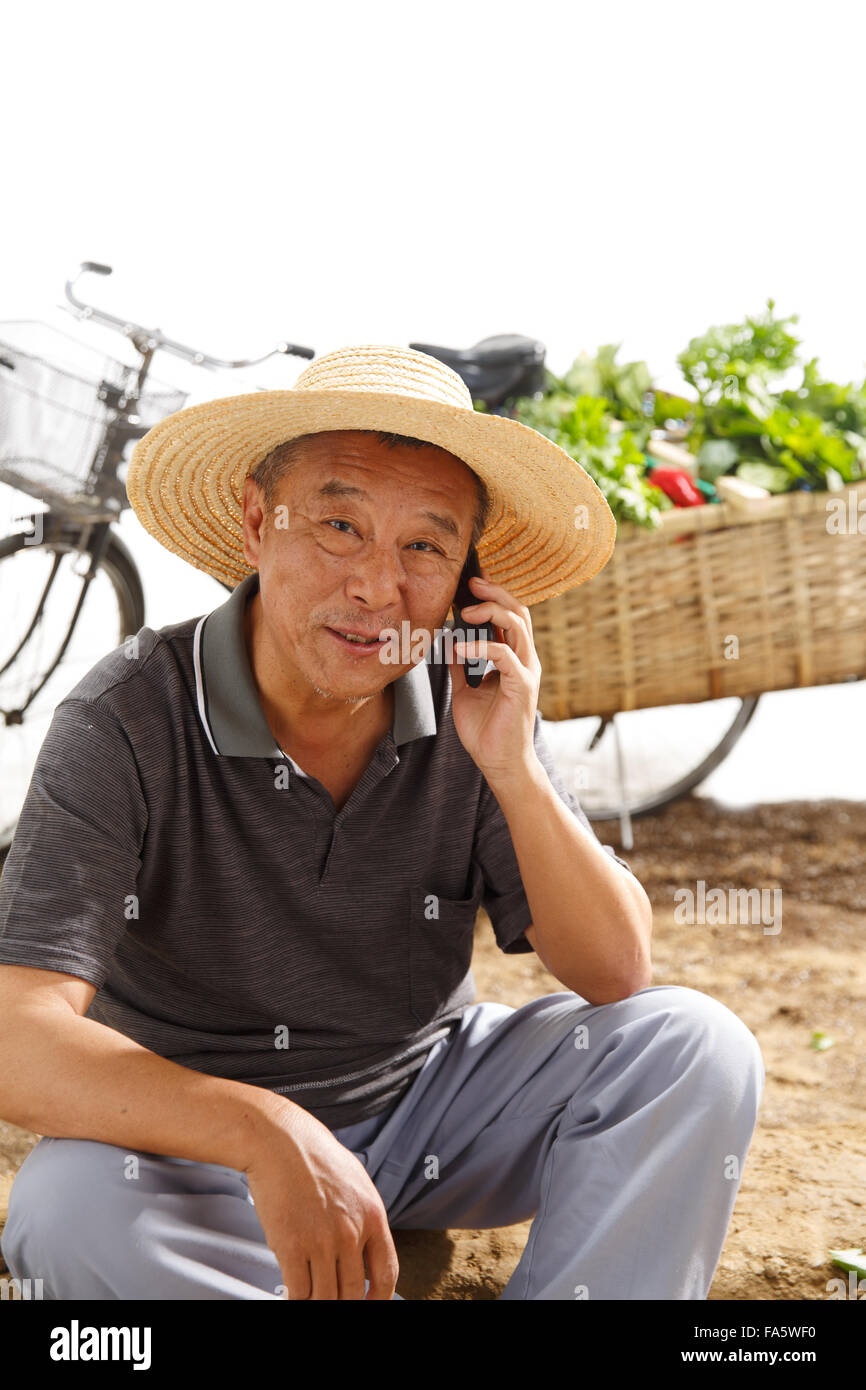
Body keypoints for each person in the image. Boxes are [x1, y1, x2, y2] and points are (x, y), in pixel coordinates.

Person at [0, 344, 764, 1300]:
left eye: (425, 547)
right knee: (65, 1212)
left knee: (696, 1047)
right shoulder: (125, 717)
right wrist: (266, 1131)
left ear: (466, 580)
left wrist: (513, 766)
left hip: (427, 1103)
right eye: (339, 526)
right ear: (257, 523)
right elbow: (17, 1036)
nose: (375, 587)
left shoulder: (473, 702)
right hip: (198, 1152)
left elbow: (617, 971)